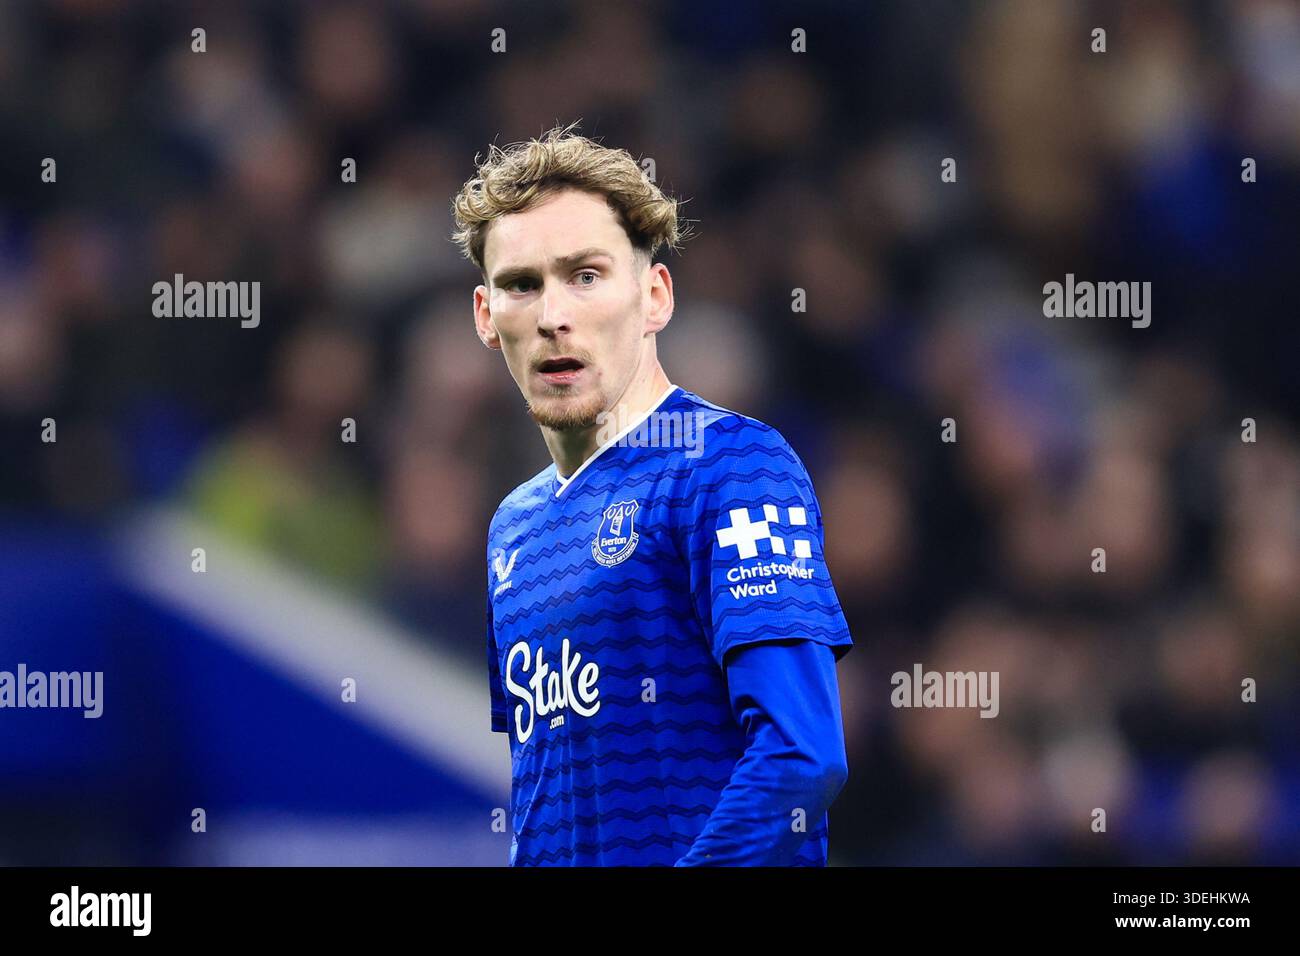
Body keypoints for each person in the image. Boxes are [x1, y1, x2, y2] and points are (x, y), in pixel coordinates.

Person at [451, 123, 854, 865]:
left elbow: (801, 758)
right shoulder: (514, 529)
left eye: (586, 275)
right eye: (521, 284)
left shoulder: (732, 466)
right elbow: (550, 803)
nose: (551, 315)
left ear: (655, 295)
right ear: (486, 315)